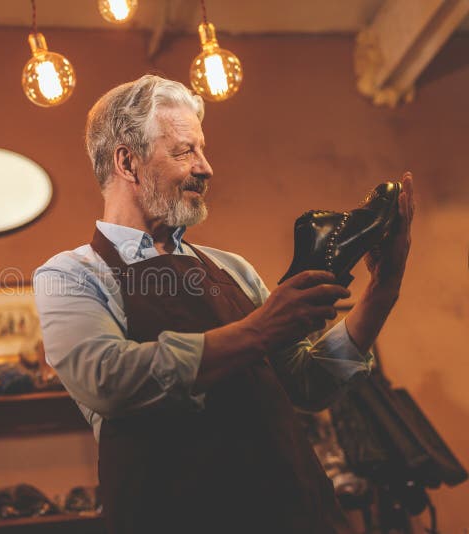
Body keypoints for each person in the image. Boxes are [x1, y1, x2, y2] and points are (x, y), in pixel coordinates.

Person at [33, 75, 414, 534]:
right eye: (185, 151)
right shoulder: (72, 274)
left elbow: (307, 386)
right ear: (127, 162)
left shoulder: (230, 267)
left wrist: (382, 291)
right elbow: (108, 379)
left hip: (298, 515)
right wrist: (259, 331)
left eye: (203, 150)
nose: (206, 167)